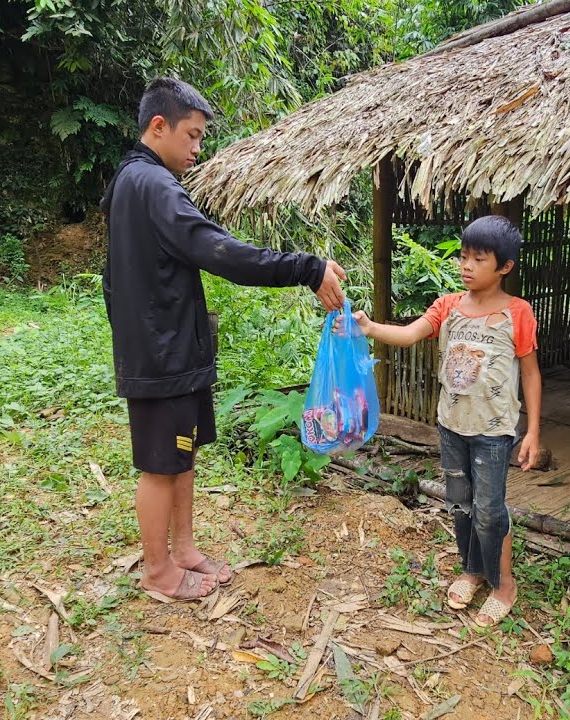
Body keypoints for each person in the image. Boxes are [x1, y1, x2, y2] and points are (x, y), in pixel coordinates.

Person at [101, 77, 347, 600]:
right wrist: (306, 267)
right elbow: (220, 252)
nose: (196, 148)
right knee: (159, 464)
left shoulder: (133, 183)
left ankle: (184, 550)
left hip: (170, 346)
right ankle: (158, 571)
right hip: (160, 351)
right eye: (191, 136)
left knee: (182, 453)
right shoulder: (152, 186)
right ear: (158, 127)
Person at [351, 215, 540, 628]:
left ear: (504, 267)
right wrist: (368, 327)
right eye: (464, 257)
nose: (466, 265)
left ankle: (503, 583)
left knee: (489, 510)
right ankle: (472, 571)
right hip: (451, 425)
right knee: (460, 504)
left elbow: (530, 373)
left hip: (494, 432)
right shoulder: (448, 306)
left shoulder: (518, 313)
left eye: (478, 259)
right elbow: (410, 334)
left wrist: (534, 432)